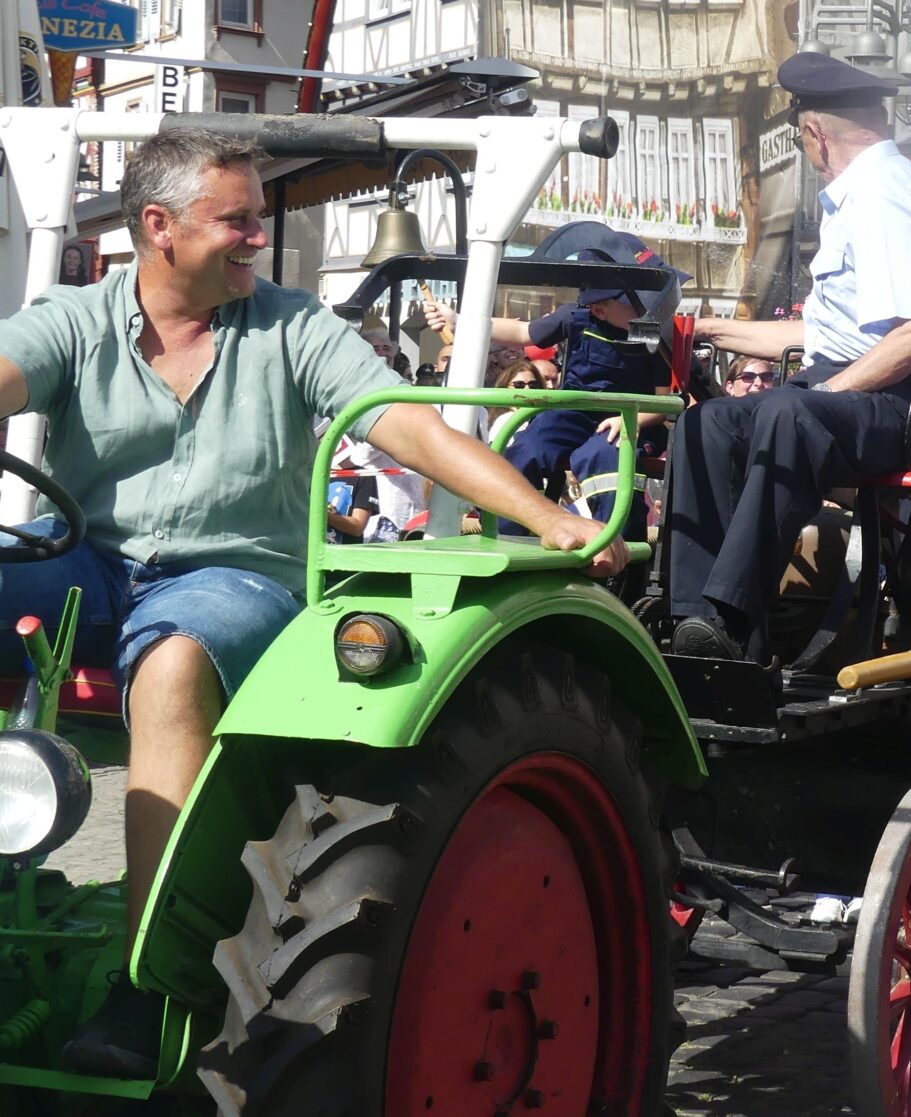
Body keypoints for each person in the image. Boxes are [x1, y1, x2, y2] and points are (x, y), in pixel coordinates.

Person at [0, 129, 624, 1076]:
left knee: (172, 665)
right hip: (89, 561)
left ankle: (147, 980)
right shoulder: (76, 320)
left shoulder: (291, 327)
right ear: (158, 228)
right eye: (237, 219)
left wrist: (544, 515)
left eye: (258, 217)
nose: (259, 237)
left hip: (232, 578)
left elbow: (400, 421)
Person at [659, 52, 911, 662]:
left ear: (814, 134)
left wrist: (824, 396)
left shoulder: (884, 195)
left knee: (789, 412)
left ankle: (731, 618)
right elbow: (823, 336)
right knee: (708, 422)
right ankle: (695, 618)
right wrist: (706, 329)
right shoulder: (866, 194)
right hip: (866, 390)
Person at [423, 228, 676, 532]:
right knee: (529, 446)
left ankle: (616, 545)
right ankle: (508, 533)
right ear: (599, 309)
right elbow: (522, 332)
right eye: (639, 301)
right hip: (572, 412)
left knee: (605, 455)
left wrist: (631, 421)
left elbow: (662, 402)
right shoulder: (575, 318)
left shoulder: (656, 337)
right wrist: (458, 321)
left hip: (628, 420)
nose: (650, 307)